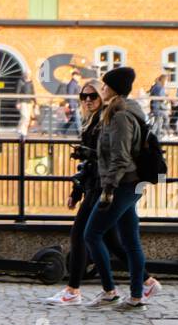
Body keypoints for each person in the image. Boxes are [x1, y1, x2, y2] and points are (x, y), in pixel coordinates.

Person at [43, 81, 160, 306]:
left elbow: (112, 158)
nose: (88, 100)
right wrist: (77, 189)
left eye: (93, 95)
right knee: (114, 240)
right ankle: (143, 282)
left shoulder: (108, 120)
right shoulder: (94, 120)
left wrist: (106, 188)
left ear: (104, 96)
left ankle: (77, 290)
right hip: (98, 185)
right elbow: (92, 161)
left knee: (83, 235)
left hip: (104, 187)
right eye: (84, 96)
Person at [83, 66, 150, 309]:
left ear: (114, 89)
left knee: (91, 234)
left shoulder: (120, 116)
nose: (102, 89)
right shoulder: (121, 111)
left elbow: (120, 157)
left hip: (122, 185)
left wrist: (108, 189)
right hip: (130, 184)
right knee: (131, 241)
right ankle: (136, 295)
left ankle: (110, 291)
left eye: (105, 85)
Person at [18, 68, 36, 138]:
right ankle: (23, 131)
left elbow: (33, 92)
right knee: (24, 116)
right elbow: (18, 92)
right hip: (22, 101)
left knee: (27, 118)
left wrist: (35, 102)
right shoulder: (21, 82)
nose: (28, 75)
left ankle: (20, 129)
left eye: (29, 74)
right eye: (27, 74)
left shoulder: (31, 82)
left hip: (29, 102)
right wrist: (18, 102)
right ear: (24, 74)